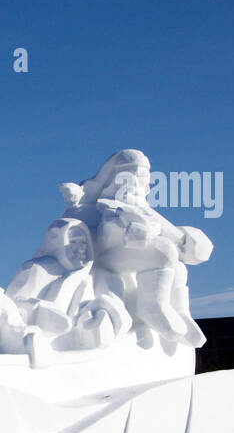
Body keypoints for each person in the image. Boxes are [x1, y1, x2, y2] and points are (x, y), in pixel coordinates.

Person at [63, 149, 211, 347]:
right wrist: (130, 228)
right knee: (164, 251)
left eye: (144, 177)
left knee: (178, 266)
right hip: (105, 259)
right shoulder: (106, 205)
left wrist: (190, 241)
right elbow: (99, 233)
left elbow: (174, 235)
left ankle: (180, 311)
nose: (142, 183)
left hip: (130, 255)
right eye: (137, 176)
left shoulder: (142, 207)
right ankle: (151, 306)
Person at [7, 218, 130, 351]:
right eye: (73, 242)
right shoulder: (38, 269)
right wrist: (41, 311)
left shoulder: (90, 278)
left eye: (83, 242)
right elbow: (13, 305)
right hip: (44, 342)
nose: (81, 248)